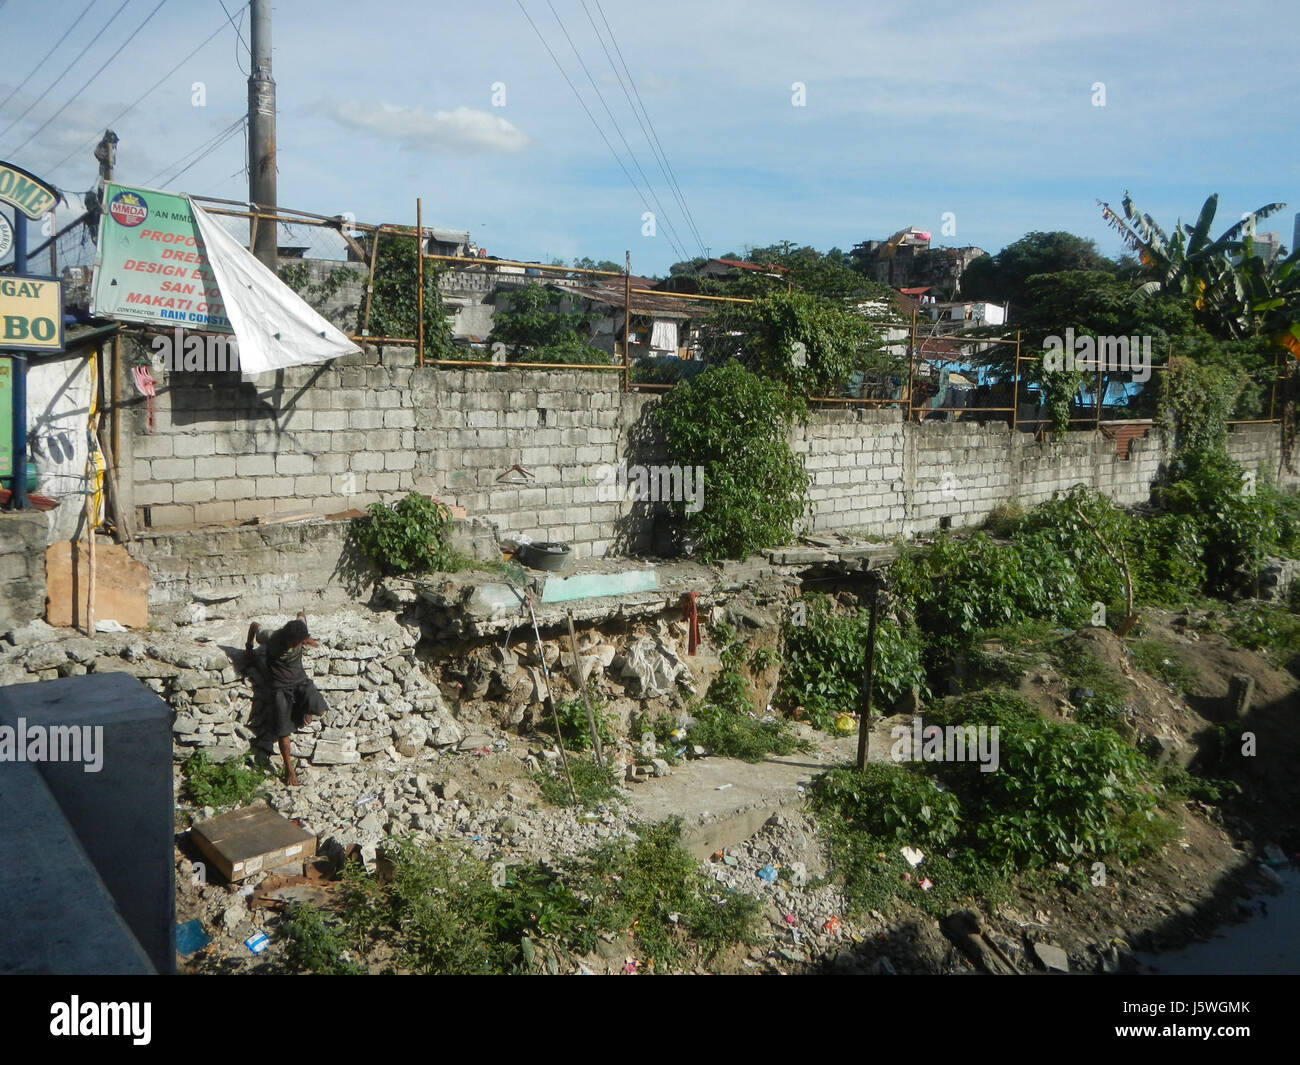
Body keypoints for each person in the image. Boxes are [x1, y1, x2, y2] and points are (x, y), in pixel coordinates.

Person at [245, 614, 329, 786]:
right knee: (283, 731)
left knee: (319, 708)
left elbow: (301, 615)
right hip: (280, 688)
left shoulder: (299, 631)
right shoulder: (271, 637)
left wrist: (308, 638)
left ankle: (303, 709)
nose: (294, 646)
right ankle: (289, 769)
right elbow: (254, 625)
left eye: (298, 642)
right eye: (294, 643)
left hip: (300, 681)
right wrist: (249, 647)